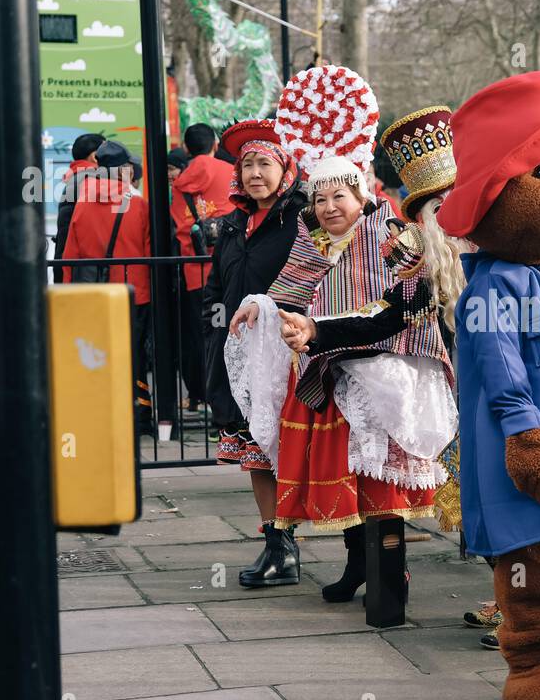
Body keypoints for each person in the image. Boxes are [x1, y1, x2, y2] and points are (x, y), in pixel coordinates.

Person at [234, 153, 457, 605]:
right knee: (345, 474)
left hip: (384, 375)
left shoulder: (392, 237)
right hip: (329, 370)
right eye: (319, 199)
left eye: (339, 196)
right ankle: (358, 564)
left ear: (361, 196)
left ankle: (390, 580)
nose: (328, 207)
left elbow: (398, 310)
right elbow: (290, 290)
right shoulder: (312, 241)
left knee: (379, 481)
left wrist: (321, 330)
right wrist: (261, 304)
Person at [204, 120, 308, 587]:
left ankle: (344, 549)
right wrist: (215, 331)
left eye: (264, 163)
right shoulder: (232, 225)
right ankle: (278, 547)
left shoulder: (302, 220)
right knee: (256, 453)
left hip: (289, 354)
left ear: (284, 169)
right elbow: (216, 287)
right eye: (247, 165)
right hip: (240, 357)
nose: (254, 173)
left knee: (291, 447)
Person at [61, 140, 155, 431]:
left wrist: (69, 290)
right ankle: (139, 413)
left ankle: (102, 411)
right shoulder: (137, 203)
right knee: (134, 352)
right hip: (134, 290)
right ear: (125, 170)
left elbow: (70, 253)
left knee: (98, 352)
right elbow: (149, 250)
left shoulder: (83, 202)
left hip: (94, 293)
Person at [174, 124, 236, 414]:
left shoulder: (179, 183)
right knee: (228, 330)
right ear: (215, 145)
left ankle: (203, 396)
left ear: (186, 149)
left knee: (201, 335)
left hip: (194, 271)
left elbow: (178, 228)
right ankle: (228, 401)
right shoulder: (230, 172)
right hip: (227, 269)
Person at [53, 132, 106, 282]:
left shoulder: (76, 178)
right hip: (84, 269)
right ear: (95, 156)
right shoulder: (92, 179)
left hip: (70, 264)